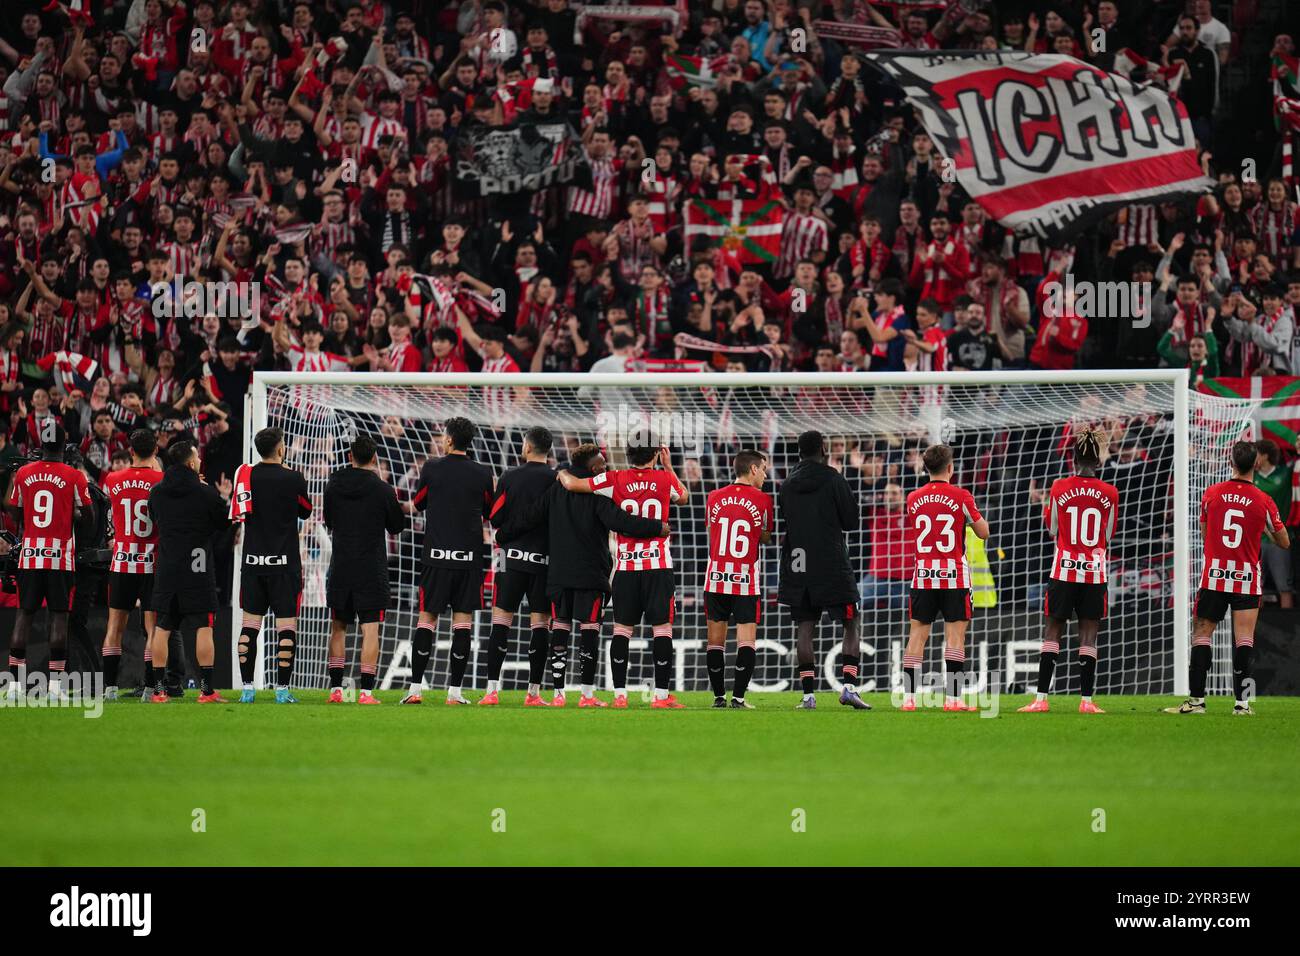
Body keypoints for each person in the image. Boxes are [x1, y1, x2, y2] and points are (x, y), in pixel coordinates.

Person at [497, 443, 668, 708]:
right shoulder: (598, 494)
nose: (605, 465)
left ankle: (558, 695)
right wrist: (657, 526)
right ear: (592, 467)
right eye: (601, 462)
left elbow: (530, 516)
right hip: (591, 574)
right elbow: (620, 521)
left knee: (560, 631)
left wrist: (503, 534)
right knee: (589, 633)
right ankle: (586, 696)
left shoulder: (555, 490)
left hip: (559, 573)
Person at [557, 442, 689, 708]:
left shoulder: (615, 478)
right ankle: (661, 697)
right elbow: (684, 497)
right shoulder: (665, 478)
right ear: (655, 454)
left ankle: (620, 696)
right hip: (657, 566)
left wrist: (560, 472)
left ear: (629, 455)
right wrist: (668, 465)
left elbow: (573, 485)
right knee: (662, 630)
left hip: (626, 568)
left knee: (622, 631)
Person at [1166, 441, 1289, 716]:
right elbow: (1284, 542)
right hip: (1246, 576)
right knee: (1245, 639)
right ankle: (1242, 705)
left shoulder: (1212, 494)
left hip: (1215, 576)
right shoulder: (1264, 500)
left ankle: (1196, 701)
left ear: (1231, 463)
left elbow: (1204, 532)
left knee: (1201, 636)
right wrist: (1264, 532)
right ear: (1255, 464)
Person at [1018, 429, 1119, 715]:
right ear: (1098, 462)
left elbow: (1051, 529)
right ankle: (1086, 701)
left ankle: (1040, 699)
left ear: (1073, 460)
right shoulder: (1110, 492)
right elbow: (1109, 534)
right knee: (1088, 636)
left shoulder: (1059, 487)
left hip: (1063, 570)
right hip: (1093, 572)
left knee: (1053, 632)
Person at [402, 416, 494, 705]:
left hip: (436, 558)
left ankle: (415, 690)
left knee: (427, 620)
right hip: (469, 560)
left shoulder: (432, 468)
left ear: (450, 440)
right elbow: (491, 512)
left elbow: (417, 504)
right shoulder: (482, 472)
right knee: (462, 624)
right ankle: (454, 693)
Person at [777, 430, 869, 711]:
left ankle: (808, 696)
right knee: (851, 622)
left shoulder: (788, 484)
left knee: (805, 626)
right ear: (823, 449)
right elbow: (851, 521)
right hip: (830, 559)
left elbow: (786, 519)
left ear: (799, 452)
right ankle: (849, 688)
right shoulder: (833, 478)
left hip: (798, 559)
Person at [3, 420, 89, 702]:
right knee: (58, 618)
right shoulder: (75, 476)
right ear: (64, 445)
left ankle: (14, 685)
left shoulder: (24, 473)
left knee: (24, 616)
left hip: (29, 556)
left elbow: (15, 513)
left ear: (40, 444)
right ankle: (55, 687)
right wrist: (71, 515)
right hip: (60, 559)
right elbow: (86, 515)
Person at [900, 444, 990, 713]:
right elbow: (983, 533)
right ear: (950, 468)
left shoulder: (913, 497)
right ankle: (953, 699)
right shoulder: (961, 495)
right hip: (954, 576)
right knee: (955, 637)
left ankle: (909, 699)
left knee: (917, 635)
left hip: (923, 575)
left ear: (926, 468)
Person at [230, 426, 313, 704]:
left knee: (250, 626)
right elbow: (306, 510)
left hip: (253, 562)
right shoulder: (293, 478)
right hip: (284, 564)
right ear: (280, 448)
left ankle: (248, 689)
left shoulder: (246, 476)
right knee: (286, 628)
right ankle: (281, 689)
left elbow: (239, 513)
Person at [146, 440, 231, 704]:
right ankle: (206, 691)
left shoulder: (157, 492)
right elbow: (221, 522)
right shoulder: (205, 493)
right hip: (198, 565)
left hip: (168, 565)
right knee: (203, 627)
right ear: (191, 462)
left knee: (163, 628)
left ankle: (159, 690)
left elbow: (154, 518)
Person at [323, 436, 405, 706]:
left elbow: (329, 521)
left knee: (338, 627)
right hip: (371, 568)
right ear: (374, 458)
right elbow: (396, 526)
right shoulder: (382, 489)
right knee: (370, 630)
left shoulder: (333, 485)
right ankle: (366, 693)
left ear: (349, 456)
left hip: (342, 566)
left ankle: (336, 690)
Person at [484, 426, 557, 706]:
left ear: (527, 447)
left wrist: (506, 533)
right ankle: (534, 693)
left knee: (501, 621)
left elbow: (496, 517)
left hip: (510, 559)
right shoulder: (556, 480)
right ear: (547, 449)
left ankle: (492, 691)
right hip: (544, 560)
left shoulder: (509, 476)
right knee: (540, 624)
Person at [702, 449, 772, 709]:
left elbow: (713, 530)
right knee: (746, 641)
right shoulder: (763, 500)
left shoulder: (713, 497)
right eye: (763, 468)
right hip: (746, 580)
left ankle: (719, 698)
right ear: (752, 469)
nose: (765, 474)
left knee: (715, 642)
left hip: (716, 577)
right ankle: (739, 698)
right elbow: (765, 536)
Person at [101, 428, 164, 700]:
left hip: (122, 563)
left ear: (131, 451)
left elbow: (107, 518)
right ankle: (150, 688)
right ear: (156, 451)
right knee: (152, 628)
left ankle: (109, 689)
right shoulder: (162, 480)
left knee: (114, 627)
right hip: (151, 563)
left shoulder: (112, 479)